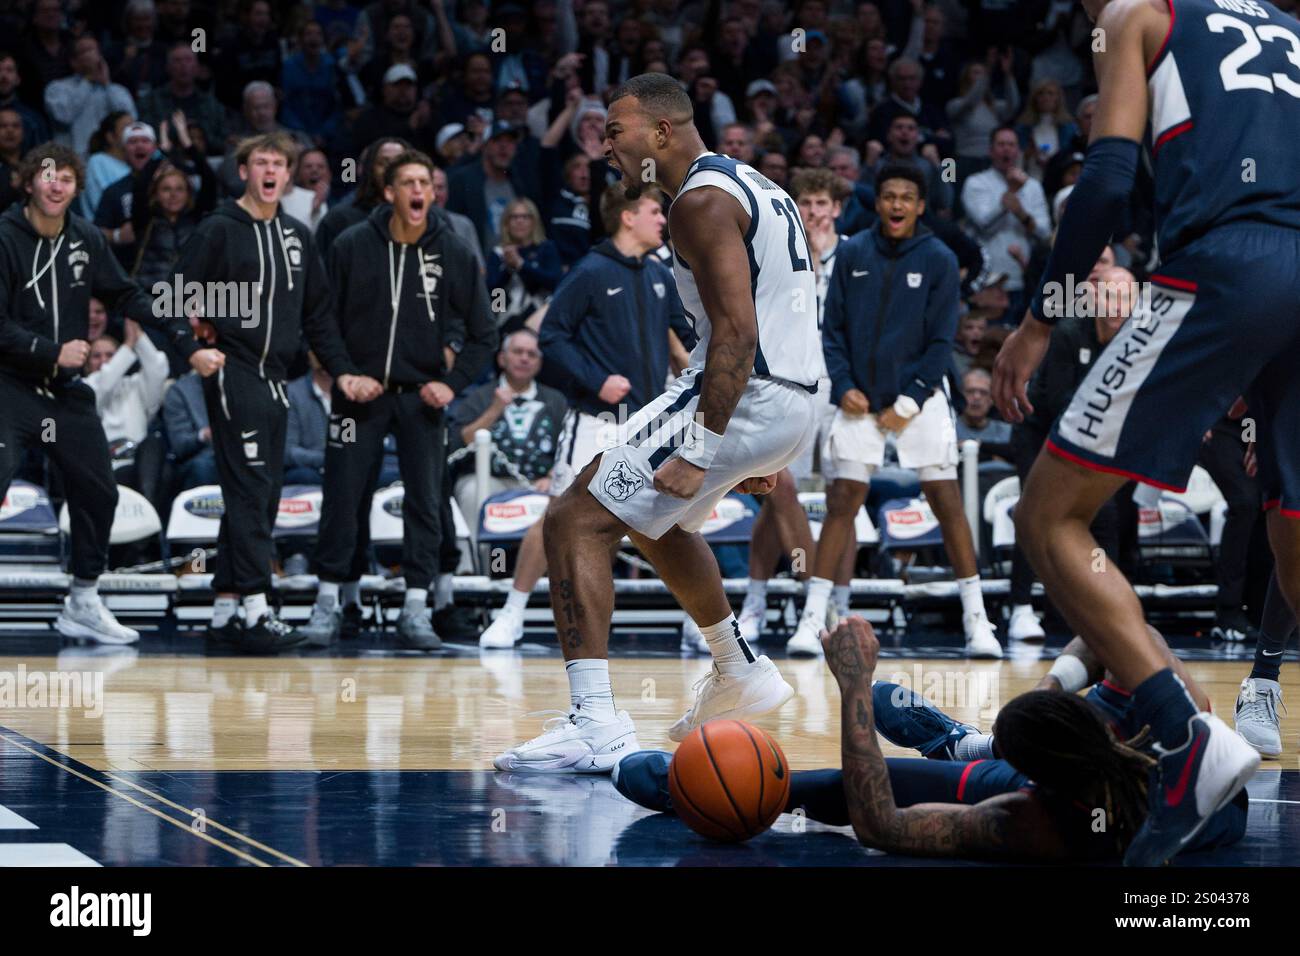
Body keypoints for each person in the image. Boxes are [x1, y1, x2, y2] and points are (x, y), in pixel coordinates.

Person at [992, 0, 1277, 865]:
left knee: (1048, 515)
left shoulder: (1132, 15)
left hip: (1226, 264)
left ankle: (1188, 736)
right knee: (1292, 533)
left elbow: (1107, 181)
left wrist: (1040, 322)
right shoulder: (1281, 26)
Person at [494, 73, 823, 771]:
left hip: (745, 385)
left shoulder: (700, 202)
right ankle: (738, 667)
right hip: (792, 397)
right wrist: (762, 447)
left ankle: (595, 724)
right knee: (657, 518)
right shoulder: (757, 186)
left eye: (616, 132)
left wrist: (707, 443)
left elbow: (736, 330)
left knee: (571, 518)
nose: (605, 147)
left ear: (663, 132)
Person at [612, 616, 1248, 864]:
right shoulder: (1173, 724)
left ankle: (682, 787)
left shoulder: (1029, 819)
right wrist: (1055, 685)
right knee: (1134, 647)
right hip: (1097, 776)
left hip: (1055, 794)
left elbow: (878, 824)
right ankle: (963, 743)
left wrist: (856, 689)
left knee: (826, 792)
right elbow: (1128, 628)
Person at [168, 131, 371, 654]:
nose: (270, 170)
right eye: (261, 161)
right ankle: (257, 608)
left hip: (279, 379)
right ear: (244, 171)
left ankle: (224, 609)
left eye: (279, 163)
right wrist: (192, 348)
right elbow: (171, 295)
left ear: (288, 173)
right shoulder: (218, 228)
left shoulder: (297, 235)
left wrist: (343, 371)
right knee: (254, 491)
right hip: (235, 372)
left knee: (257, 493)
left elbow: (319, 317)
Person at [793, 164, 1002, 659]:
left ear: (921, 205)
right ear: (878, 201)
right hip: (859, 400)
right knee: (842, 501)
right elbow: (833, 331)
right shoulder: (852, 254)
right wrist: (843, 386)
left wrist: (909, 401)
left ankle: (978, 621)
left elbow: (941, 340)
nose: (896, 205)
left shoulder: (940, 259)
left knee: (947, 503)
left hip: (921, 401)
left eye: (907, 197)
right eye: (888, 196)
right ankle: (811, 621)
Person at [298, 149, 496, 650]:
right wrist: (342, 373)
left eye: (423, 183)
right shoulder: (350, 244)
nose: (416, 191)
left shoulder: (452, 250)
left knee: (426, 502)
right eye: (406, 182)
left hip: (421, 398)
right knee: (343, 498)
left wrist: (452, 384)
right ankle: (330, 602)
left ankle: (416, 608)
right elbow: (319, 318)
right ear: (388, 192)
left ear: (431, 193)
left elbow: (483, 333)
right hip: (358, 395)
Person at [479, 184, 683, 651]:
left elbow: (677, 339)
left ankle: (699, 621)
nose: (663, 220)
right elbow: (550, 336)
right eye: (655, 211)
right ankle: (512, 613)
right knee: (557, 518)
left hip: (648, 425)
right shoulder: (590, 270)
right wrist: (597, 380)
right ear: (627, 217)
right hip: (595, 419)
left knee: (671, 523)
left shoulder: (658, 272)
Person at [0, 143, 188, 644]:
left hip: (62, 391)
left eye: (66, 178)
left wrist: (177, 322)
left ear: (76, 188)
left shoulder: (83, 236)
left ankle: (83, 599)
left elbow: (124, 294)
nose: (56, 184)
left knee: (99, 491)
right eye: (47, 175)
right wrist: (50, 351)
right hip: (9, 384)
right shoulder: (3, 236)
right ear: (28, 182)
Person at [447, 328, 567, 522]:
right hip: (489, 480)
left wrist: (553, 477)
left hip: (541, 482)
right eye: (518, 352)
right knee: (472, 492)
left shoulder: (556, 400)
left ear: (540, 363)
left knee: (567, 495)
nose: (524, 359)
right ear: (502, 358)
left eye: (532, 354)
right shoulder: (479, 397)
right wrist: (494, 409)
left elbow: (568, 447)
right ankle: (475, 554)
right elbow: (460, 444)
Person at [960, 126, 1051, 324]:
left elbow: (1045, 233)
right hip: (986, 280)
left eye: (1011, 145)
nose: (1006, 150)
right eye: (1001, 145)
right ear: (990, 150)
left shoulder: (1033, 186)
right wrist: (1010, 193)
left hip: (1022, 276)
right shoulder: (975, 183)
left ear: (1018, 151)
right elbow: (983, 223)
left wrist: (1022, 215)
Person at [83, 319, 170, 510]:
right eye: (96, 356)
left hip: (139, 465)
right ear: (87, 364)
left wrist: (139, 337)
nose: (104, 361)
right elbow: (105, 384)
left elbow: (158, 369)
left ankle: (148, 509)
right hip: (102, 464)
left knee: (155, 442)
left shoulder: (136, 385)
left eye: (110, 355)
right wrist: (128, 345)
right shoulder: (86, 387)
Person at [43, 35, 136, 158]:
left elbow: (130, 121)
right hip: (71, 160)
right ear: (73, 61)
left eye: (94, 50)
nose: (91, 55)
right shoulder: (57, 88)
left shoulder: (116, 90)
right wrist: (87, 80)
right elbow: (63, 117)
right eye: (85, 51)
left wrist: (106, 84)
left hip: (111, 161)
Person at [485, 197, 563, 334]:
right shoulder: (498, 253)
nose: (519, 221)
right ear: (506, 223)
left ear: (534, 222)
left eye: (525, 217)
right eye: (514, 217)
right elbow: (494, 296)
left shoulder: (546, 248)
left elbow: (555, 282)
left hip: (541, 321)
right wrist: (508, 269)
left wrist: (521, 264)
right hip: (507, 322)